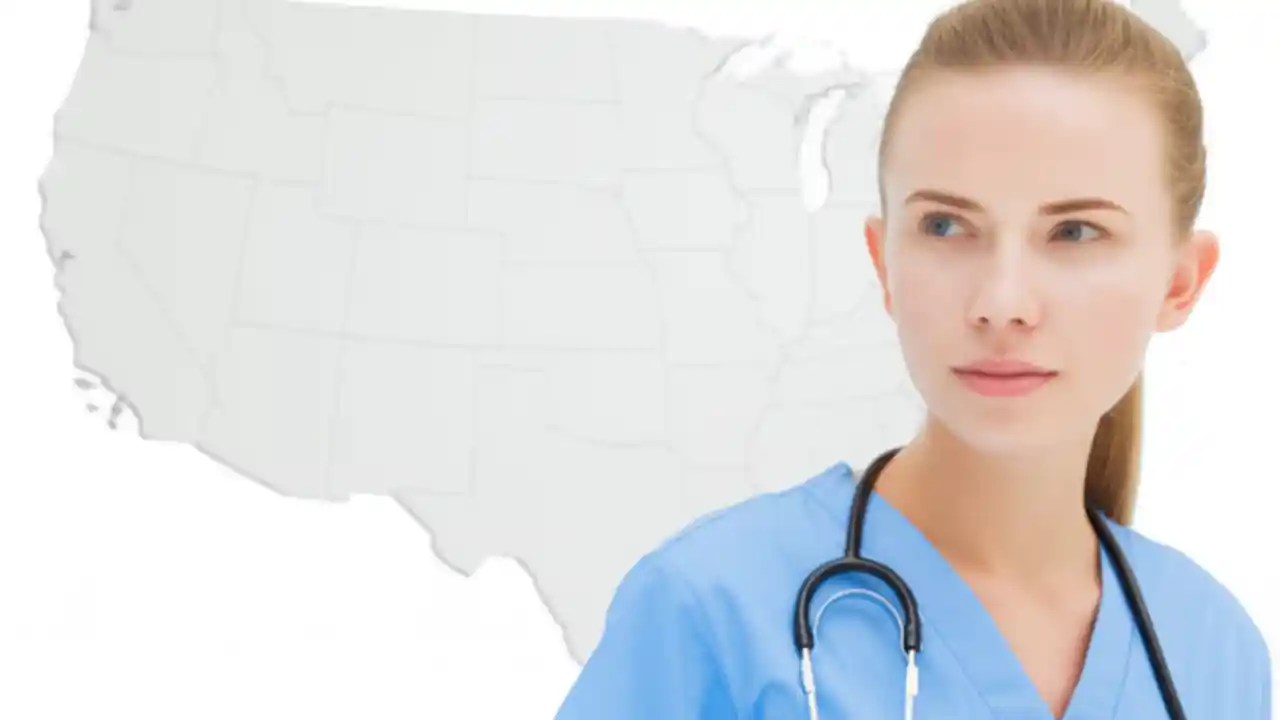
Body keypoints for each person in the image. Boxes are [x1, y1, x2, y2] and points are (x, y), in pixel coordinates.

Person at [554, 0, 1272, 717]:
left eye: (1075, 232)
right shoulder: (710, 613)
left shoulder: (1210, 649)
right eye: (947, 225)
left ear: (1180, 282)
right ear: (885, 262)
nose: (1002, 301)